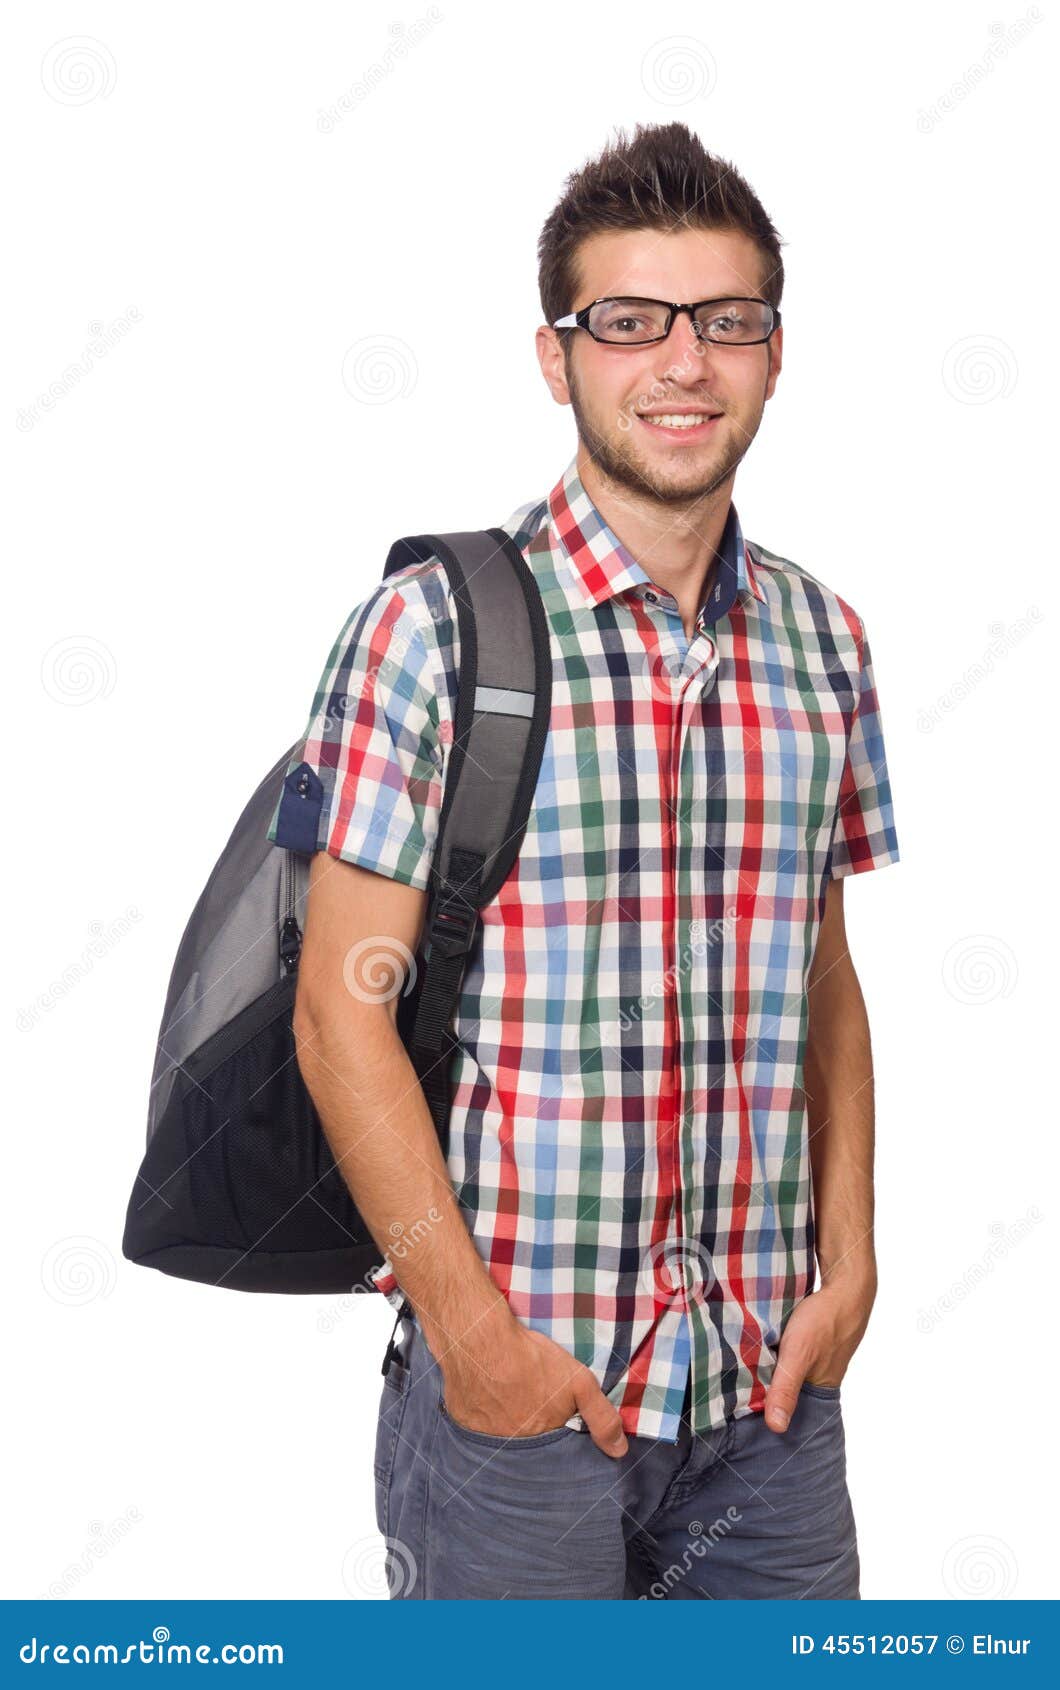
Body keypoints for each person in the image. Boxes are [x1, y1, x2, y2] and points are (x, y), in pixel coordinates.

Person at [268, 121, 900, 1600]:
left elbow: (823, 979)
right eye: (629, 321)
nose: (682, 361)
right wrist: (473, 1336)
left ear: (775, 353)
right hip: (521, 1404)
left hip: (768, 1396)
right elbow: (338, 1013)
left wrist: (853, 1260)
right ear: (556, 359)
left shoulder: (824, 641)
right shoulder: (432, 631)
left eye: (724, 320)